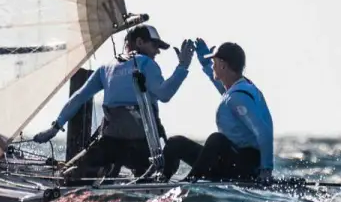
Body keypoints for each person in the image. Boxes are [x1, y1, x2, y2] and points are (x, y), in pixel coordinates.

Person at [27, 24, 194, 178]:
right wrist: (182, 67)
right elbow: (164, 95)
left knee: (75, 173)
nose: (157, 51)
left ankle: (100, 171)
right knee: (166, 162)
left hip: (110, 145)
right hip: (142, 148)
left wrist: (55, 128)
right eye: (155, 46)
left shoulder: (106, 68)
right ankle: (137, 175)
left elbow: (78, 98)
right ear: (140, 42)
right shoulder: (146, 63)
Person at [161, 40, 274, 182]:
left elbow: (264, 131)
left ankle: (190, 182)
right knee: (175, 143)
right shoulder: (236, 89)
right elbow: (224, 89)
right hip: (229, 161)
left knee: (217, 139)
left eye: (214, 63)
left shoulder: (239, 96)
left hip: (245, 167)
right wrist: (206, 65)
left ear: (223, 65)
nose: (213, 66)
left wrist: (266, 170)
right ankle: (160, 181)